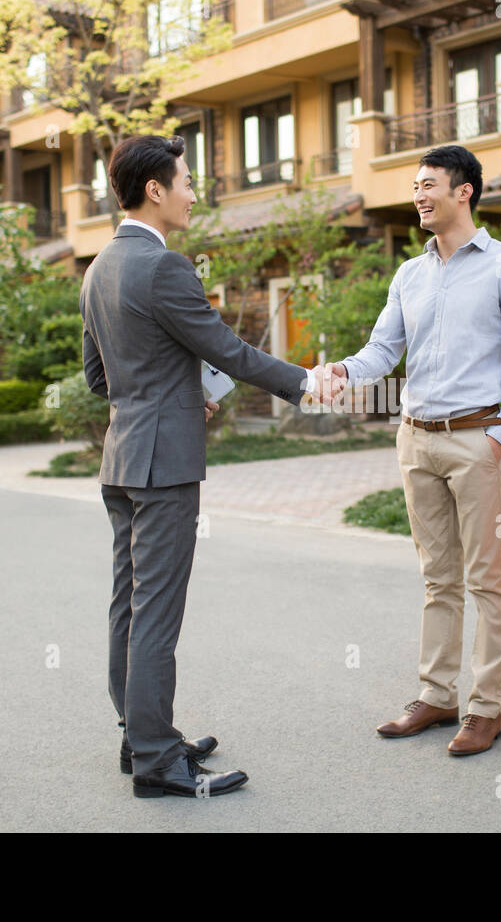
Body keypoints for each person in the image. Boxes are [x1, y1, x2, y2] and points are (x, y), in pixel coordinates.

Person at [80, 134, 343, 798]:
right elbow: (224, 348)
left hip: (121, 457)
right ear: (156, 190)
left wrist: (164, 395)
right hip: (163, 465)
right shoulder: (162, 267)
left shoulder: (97, 267)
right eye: (188, 181)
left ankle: (139, 735)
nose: (196, 192)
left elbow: (97, 377)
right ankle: (157, 760)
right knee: (158, 611)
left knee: (129, 607)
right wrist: (305, 381)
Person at [320, 145, 501, 756]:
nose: (418, 195)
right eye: (415, 186)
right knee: (436, 577)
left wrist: (500, 439)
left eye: (429, 185)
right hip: (415, 438)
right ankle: (437, 695)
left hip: (477, 439)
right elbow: (380, 351)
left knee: (487, 580)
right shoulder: (409, 274)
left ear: (464, 191)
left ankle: (486, 708)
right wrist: (339, 371)